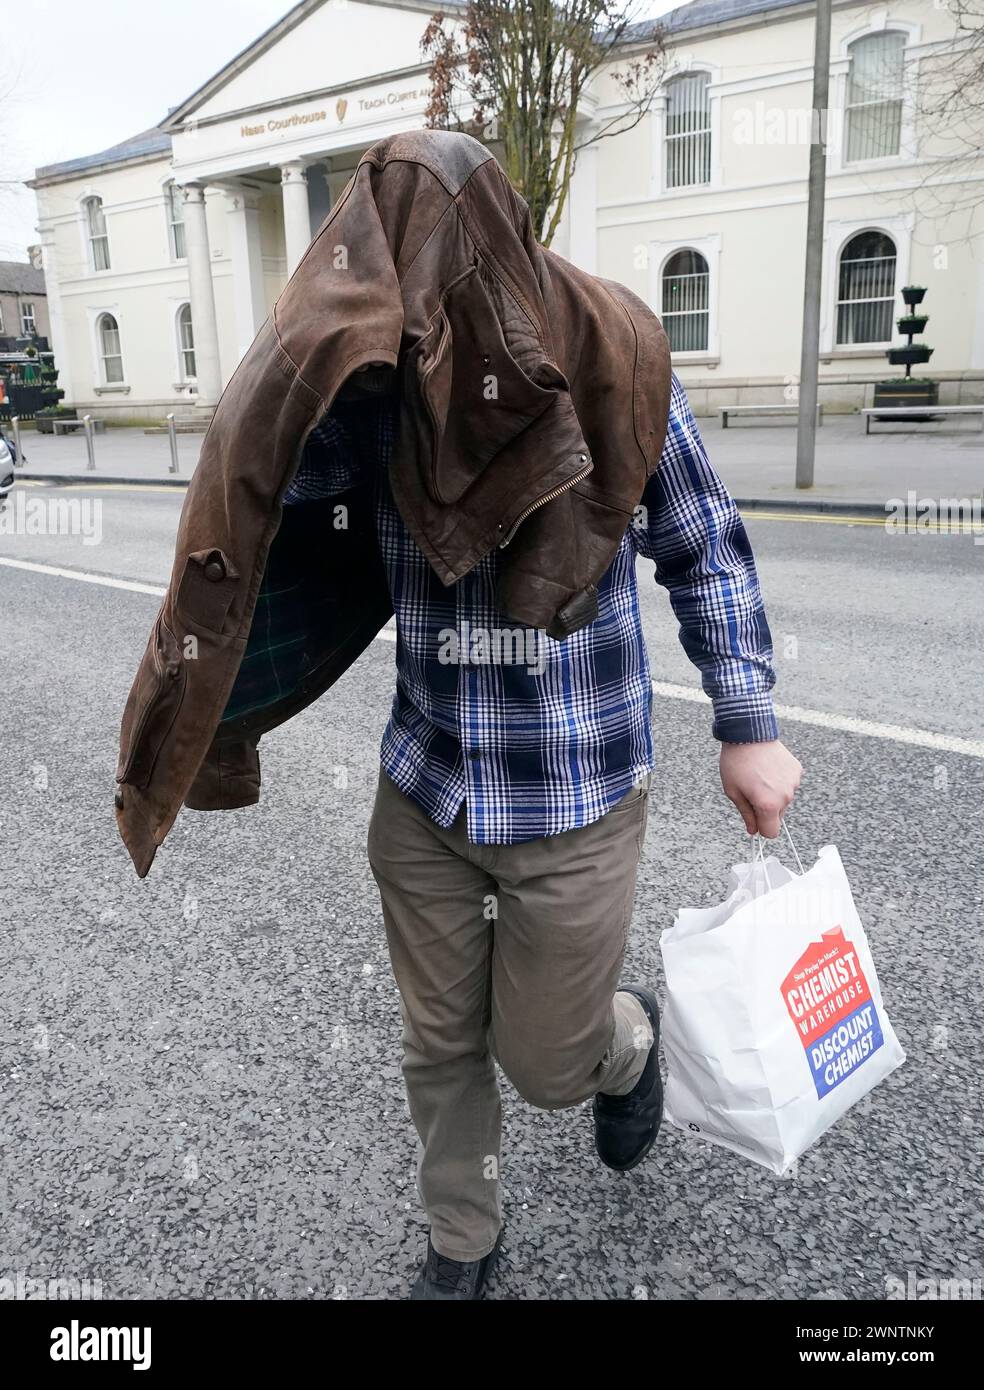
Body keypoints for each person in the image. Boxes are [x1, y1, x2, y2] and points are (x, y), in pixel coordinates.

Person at [280, 367, 803, 1301]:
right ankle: (463, 1236)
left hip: (575, 794)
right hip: (427, 786)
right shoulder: (371, 371)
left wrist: (749, 720)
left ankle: (630, 1042)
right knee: (439, 1039)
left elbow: (702, 543)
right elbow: (290, 522)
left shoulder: (616, 356)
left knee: (547, 1063)